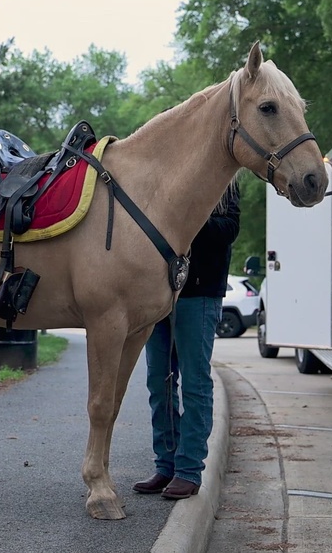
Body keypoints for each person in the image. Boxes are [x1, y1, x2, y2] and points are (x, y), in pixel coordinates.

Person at [134, 183, 241, 500]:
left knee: (195, 381)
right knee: (159, 381)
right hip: (158, 293)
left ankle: (189, 470)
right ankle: (165, 465)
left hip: (200, 294)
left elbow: (227, 230)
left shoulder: (224, 187)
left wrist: (185, 213)